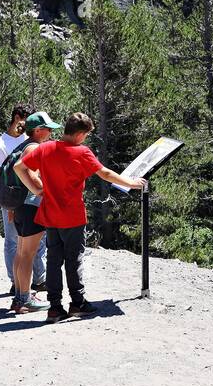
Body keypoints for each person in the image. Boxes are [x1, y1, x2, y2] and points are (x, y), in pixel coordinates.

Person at [15, 112, 146, 323]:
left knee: (54, 261)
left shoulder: (46, 147)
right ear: (80, 134)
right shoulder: (81, 152)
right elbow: (105, 174)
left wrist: (38, 189)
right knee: (73, 260)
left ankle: (55, 307)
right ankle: (77, 302)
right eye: (86, 135)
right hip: (72, 216)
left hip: (50, 214)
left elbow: (19, 167)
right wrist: (130, 183)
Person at [0, 112, 62, 314]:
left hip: (19, 206)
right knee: (28, 254)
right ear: (37, 131)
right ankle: (25, 300)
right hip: (31, 206)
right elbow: (27, 172)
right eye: (48, 129)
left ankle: (20, 297)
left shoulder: (23, 145)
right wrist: (42, 191)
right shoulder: (34, 147)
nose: (51, 132)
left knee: (21, 252)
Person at [0, 105, 44, 297]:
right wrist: (10, 205)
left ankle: (38, 279)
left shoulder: (27, 140)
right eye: (26, 118)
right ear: (17, 117)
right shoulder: (1, 145)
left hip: (29, 199)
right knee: (14, 241)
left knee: (32, 242)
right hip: (13, 199)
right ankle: (16, 283)